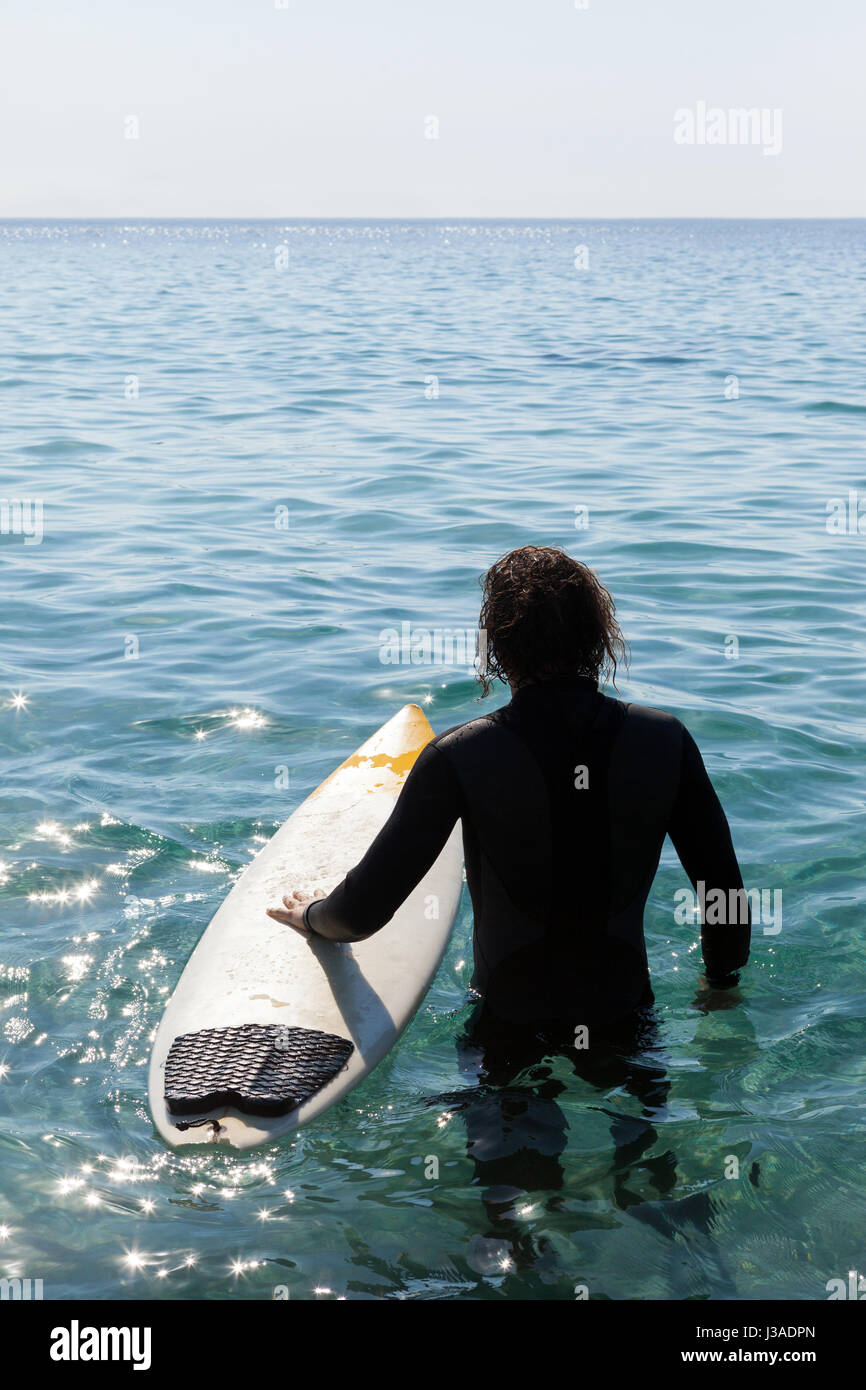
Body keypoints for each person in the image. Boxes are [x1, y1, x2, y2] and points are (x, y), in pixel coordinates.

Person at [267, 545, 750, 1034]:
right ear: (598, 636)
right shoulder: (665, 740)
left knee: (506, 1107)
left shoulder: (459, 755)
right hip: (625, 1013)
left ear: (496, 644)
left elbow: (362, 914)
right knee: (636, 1106)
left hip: (508, 1024)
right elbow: (722, 892)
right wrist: (721, 984)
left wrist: (311, 915)